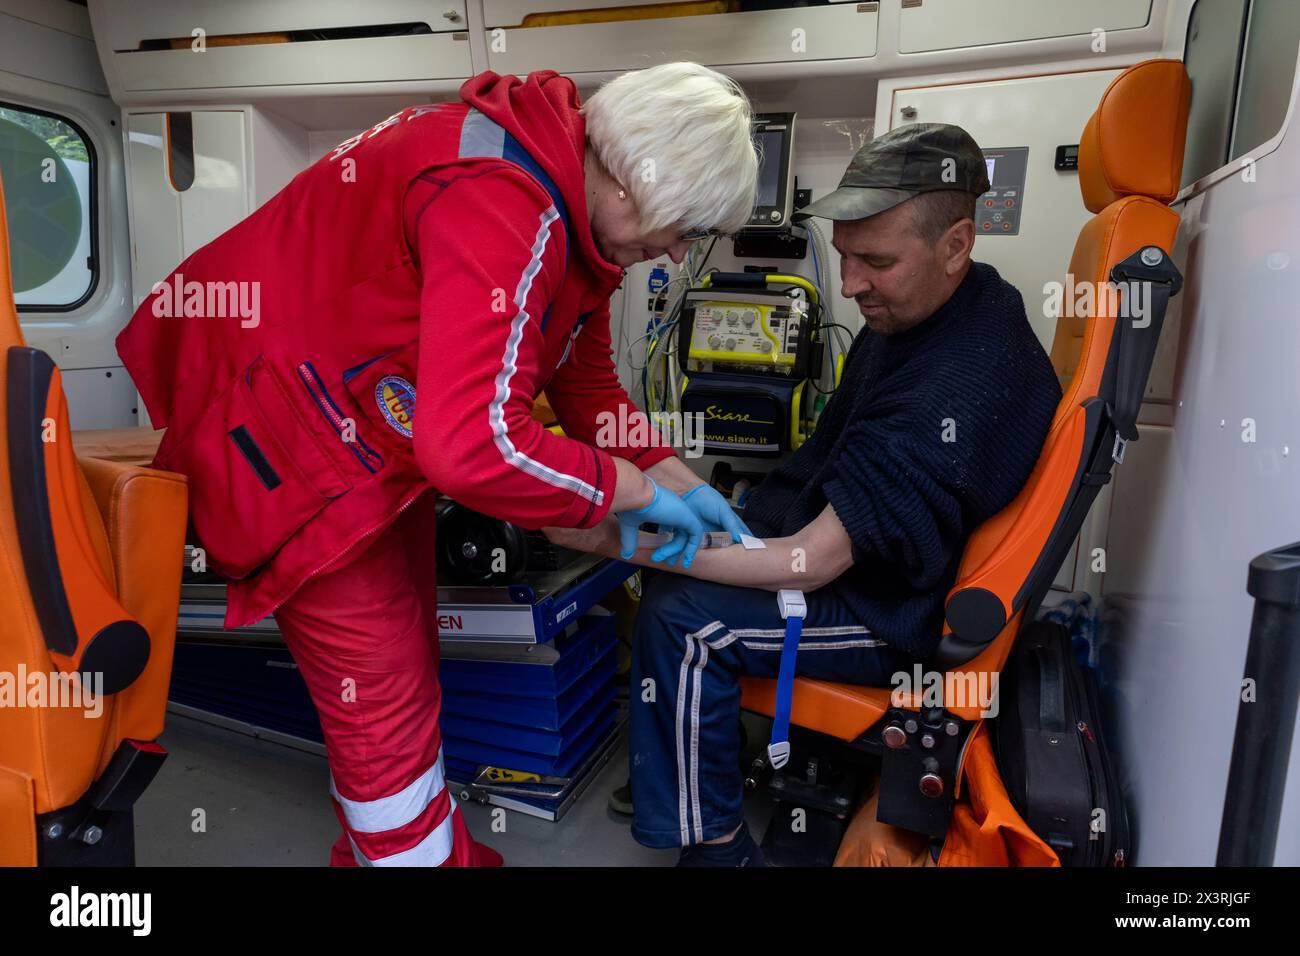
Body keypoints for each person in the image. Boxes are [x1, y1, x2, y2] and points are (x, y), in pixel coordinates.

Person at [116, 62, 757, 866]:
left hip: (366, 433)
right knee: (379, 698)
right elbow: (475, 447)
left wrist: (677, 481)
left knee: (411, 666)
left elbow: (586, 383)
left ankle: (414, 846)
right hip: (290, 440)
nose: (675, 252)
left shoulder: (571, 209)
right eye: (684, 230)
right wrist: (626, 493)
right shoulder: (504, 199)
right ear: (635, 185)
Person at [544, 123, 1063, 866]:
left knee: (688, 618)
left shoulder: (956, 385)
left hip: (894, 612)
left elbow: (810, 565)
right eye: (846, 256)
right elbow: (817, 466)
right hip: (871, 560)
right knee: (686, 571)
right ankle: (689, 773)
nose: (849, 285)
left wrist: (614, 542)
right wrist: (729, 517)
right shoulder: (947, 308)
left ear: (956, 244)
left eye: (875, 262)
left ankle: (717, 847)